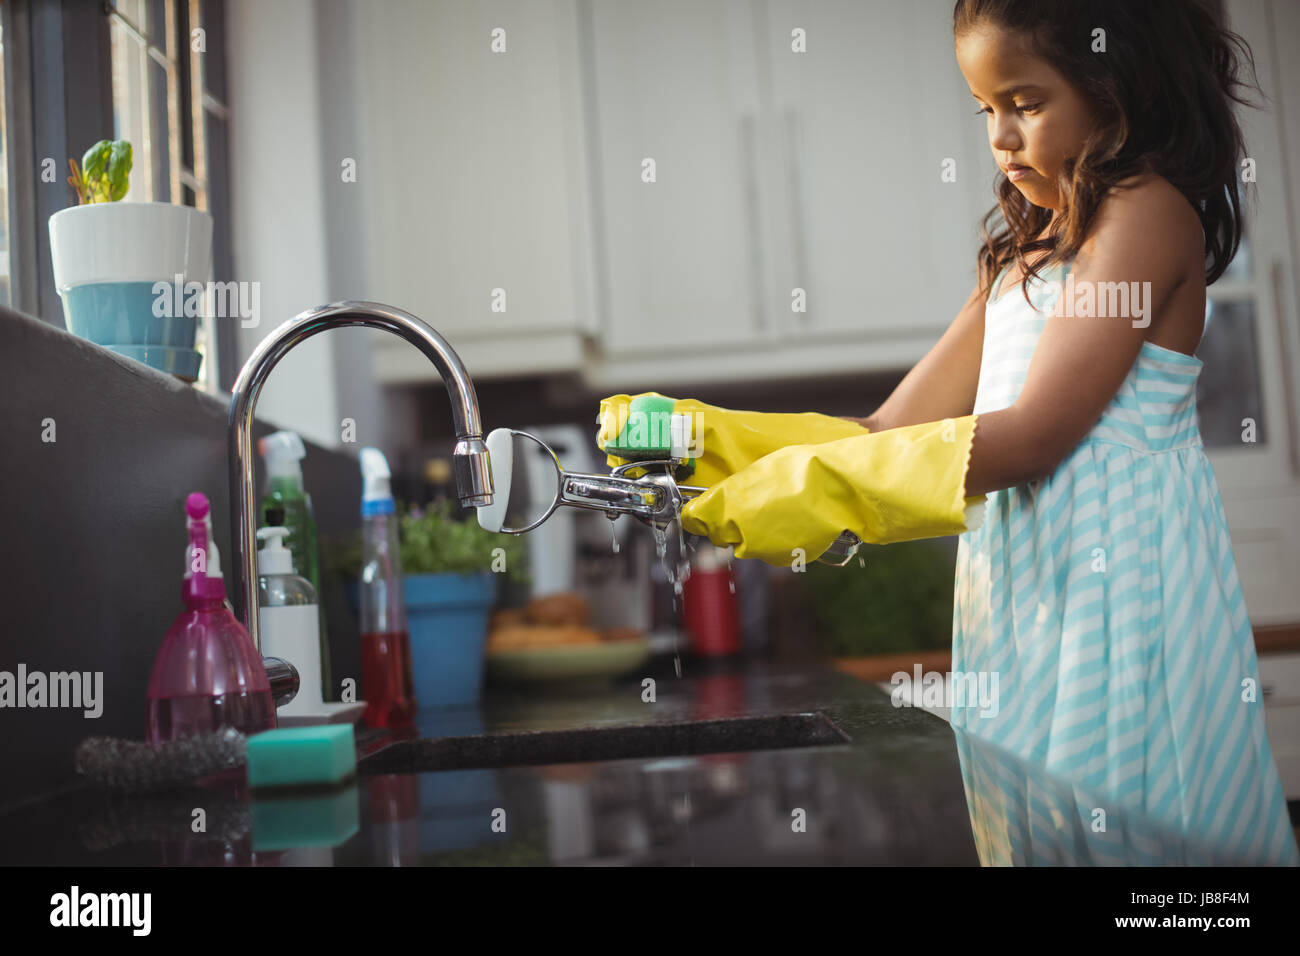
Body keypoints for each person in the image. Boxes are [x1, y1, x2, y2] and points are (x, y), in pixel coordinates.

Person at [632, 0, 1297, 863]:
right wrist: (705, 439)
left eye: (1025, 102)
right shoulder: (1024, 260)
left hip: (1117, 600)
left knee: (1141, 840)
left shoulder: (1146, 212)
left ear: (1115, 84)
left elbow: (1035, 437)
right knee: (1041, 835)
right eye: (986, 109)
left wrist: (818, 494)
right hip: (1026, 602)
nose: (1001, 137)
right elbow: (886, 427)